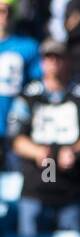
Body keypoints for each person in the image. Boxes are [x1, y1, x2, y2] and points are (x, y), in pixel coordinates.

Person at [7, 40, 80, 237]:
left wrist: (73, 150)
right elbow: (16, 139)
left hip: (71, 191)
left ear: (68, 61)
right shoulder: (28, 97)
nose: (54, 63)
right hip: (36, 190)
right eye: (49, 58)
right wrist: (37, 151)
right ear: (42, 63)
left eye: (59, 58)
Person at [0, 0, 40, 155]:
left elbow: (37, 85)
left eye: (8, 11)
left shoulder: (28, 46)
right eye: (1, 11)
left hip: (16, 129)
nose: (4, 16)